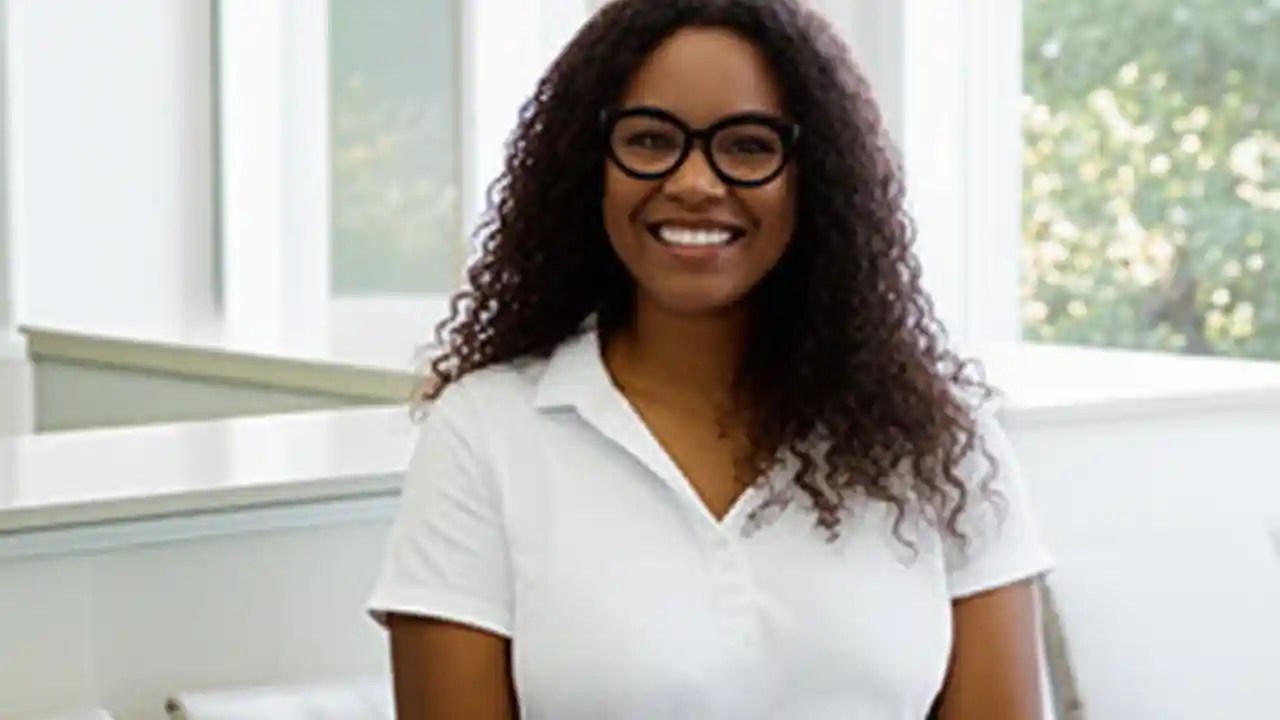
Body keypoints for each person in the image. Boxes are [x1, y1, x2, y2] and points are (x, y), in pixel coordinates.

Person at [367, 1, 1053, 718]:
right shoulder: (485, 432)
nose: (695, 182)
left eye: (749, 146)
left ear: (815, 178)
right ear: (589, 167)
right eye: (651, 139)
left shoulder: (941, 438)